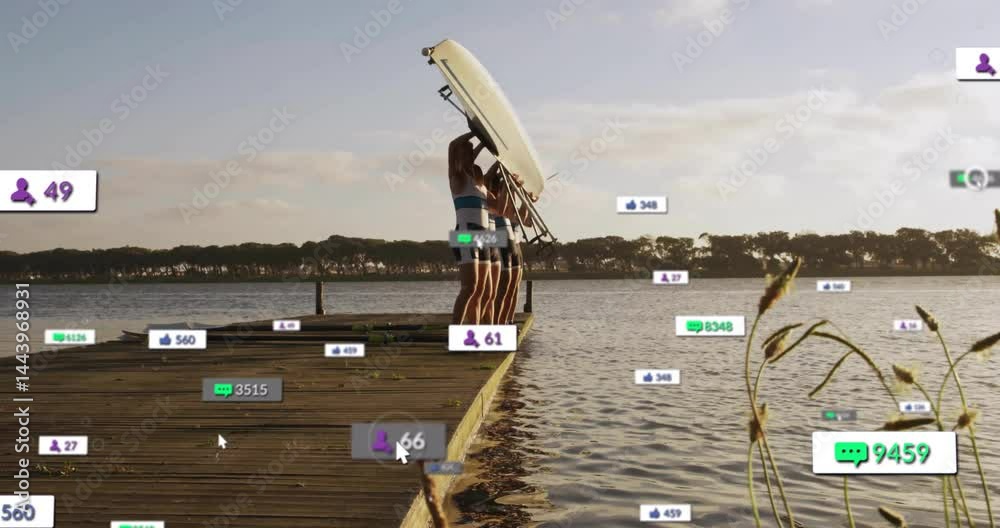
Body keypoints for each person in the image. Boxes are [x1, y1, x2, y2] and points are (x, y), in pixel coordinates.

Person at [449, 131, 496, 324]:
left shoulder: (480, 184)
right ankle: (456, 336)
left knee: (481, 291)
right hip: (465, 235)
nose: (471, 154)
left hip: (484, 237)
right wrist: (474, 133)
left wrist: (483, 145)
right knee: (469, 288)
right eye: (467, 152)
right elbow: (453, 147)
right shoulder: (457, 177)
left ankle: (474, 337)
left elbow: (498, 207)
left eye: (472, 152)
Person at [496, 172, 534, 325]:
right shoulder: (499, 203)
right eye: (512, 190)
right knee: (503, 288)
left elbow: (526, 221)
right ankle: (498, 323)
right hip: (502, 243)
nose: (514, 193)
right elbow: (510, 214)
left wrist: (527, 202)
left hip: (515, 244)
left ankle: (508, 320)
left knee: (514, 287)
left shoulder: (511, 206)